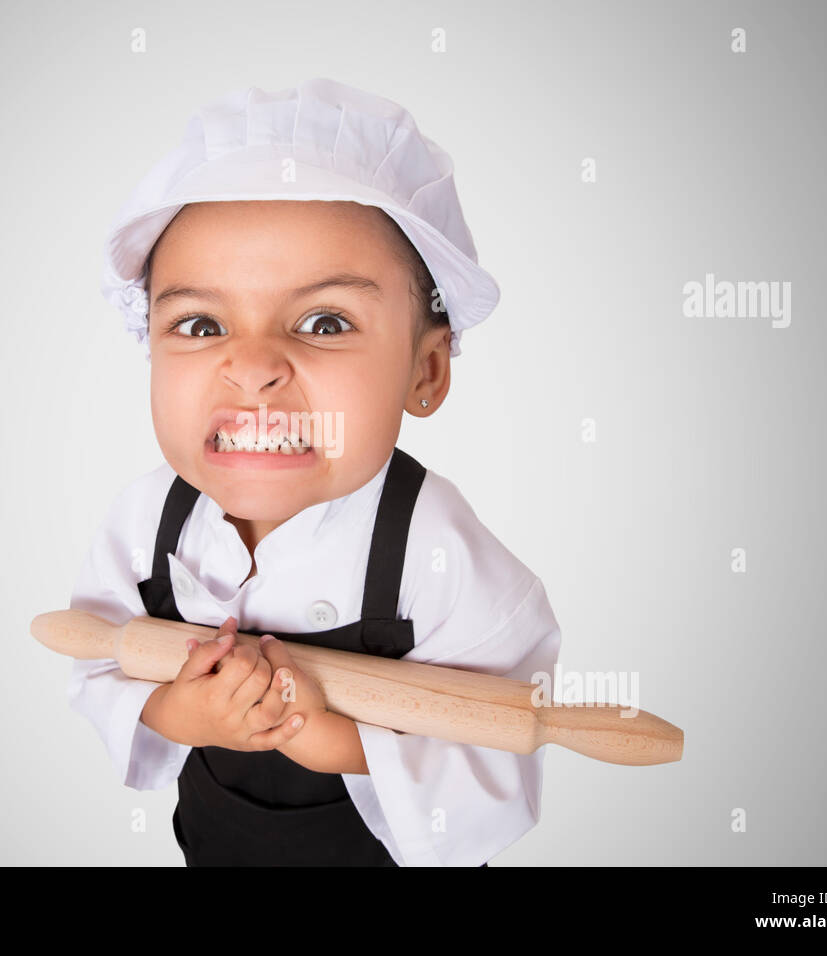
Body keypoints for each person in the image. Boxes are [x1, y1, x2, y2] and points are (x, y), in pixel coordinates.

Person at [66, 78, 562, 866]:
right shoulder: (148, 523)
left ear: (426, 370)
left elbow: (501, 750)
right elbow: (97, 658)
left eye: (324, 322)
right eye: (201, 324)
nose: (253, 366)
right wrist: (182, 715)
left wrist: (331, 737)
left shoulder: (439, 554)